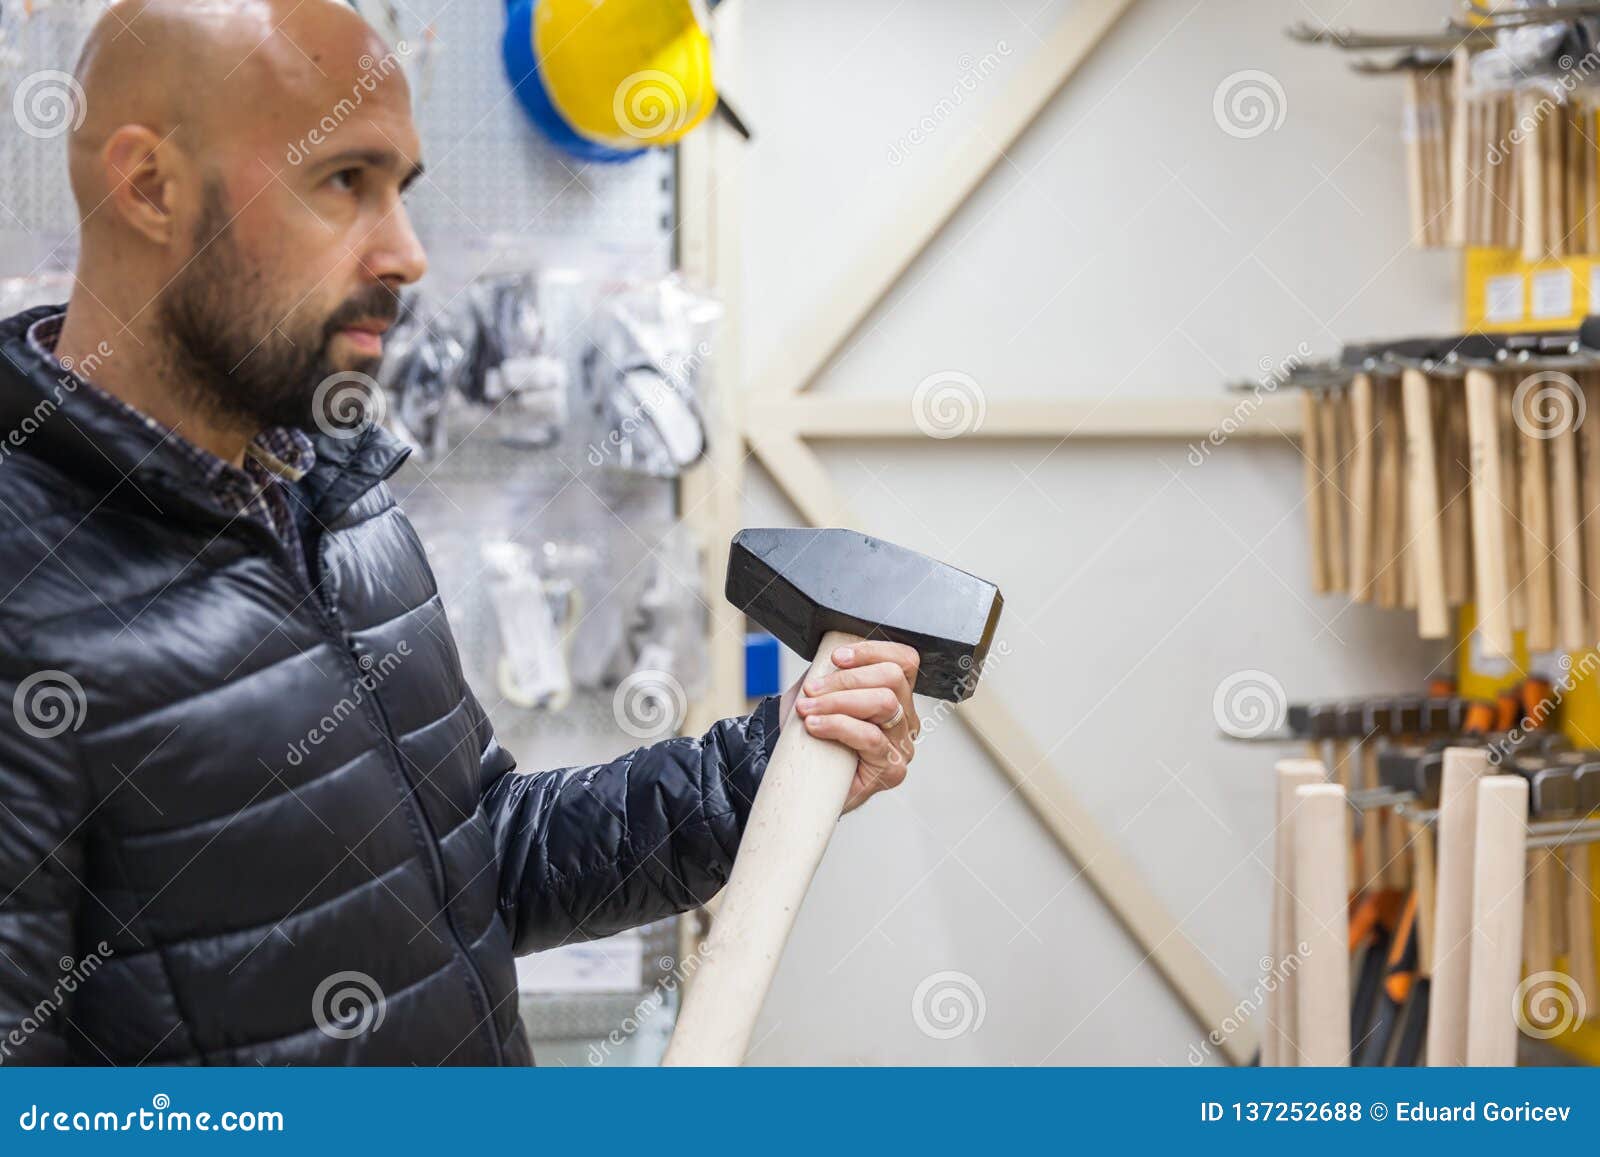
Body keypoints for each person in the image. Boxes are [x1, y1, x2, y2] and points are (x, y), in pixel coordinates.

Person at [0, 0, 921, 1065]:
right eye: (344, 181)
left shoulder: (341, 501)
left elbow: (474, 858)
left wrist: (761, 773)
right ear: (149, 185)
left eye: (402, 189)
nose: (406, 252)